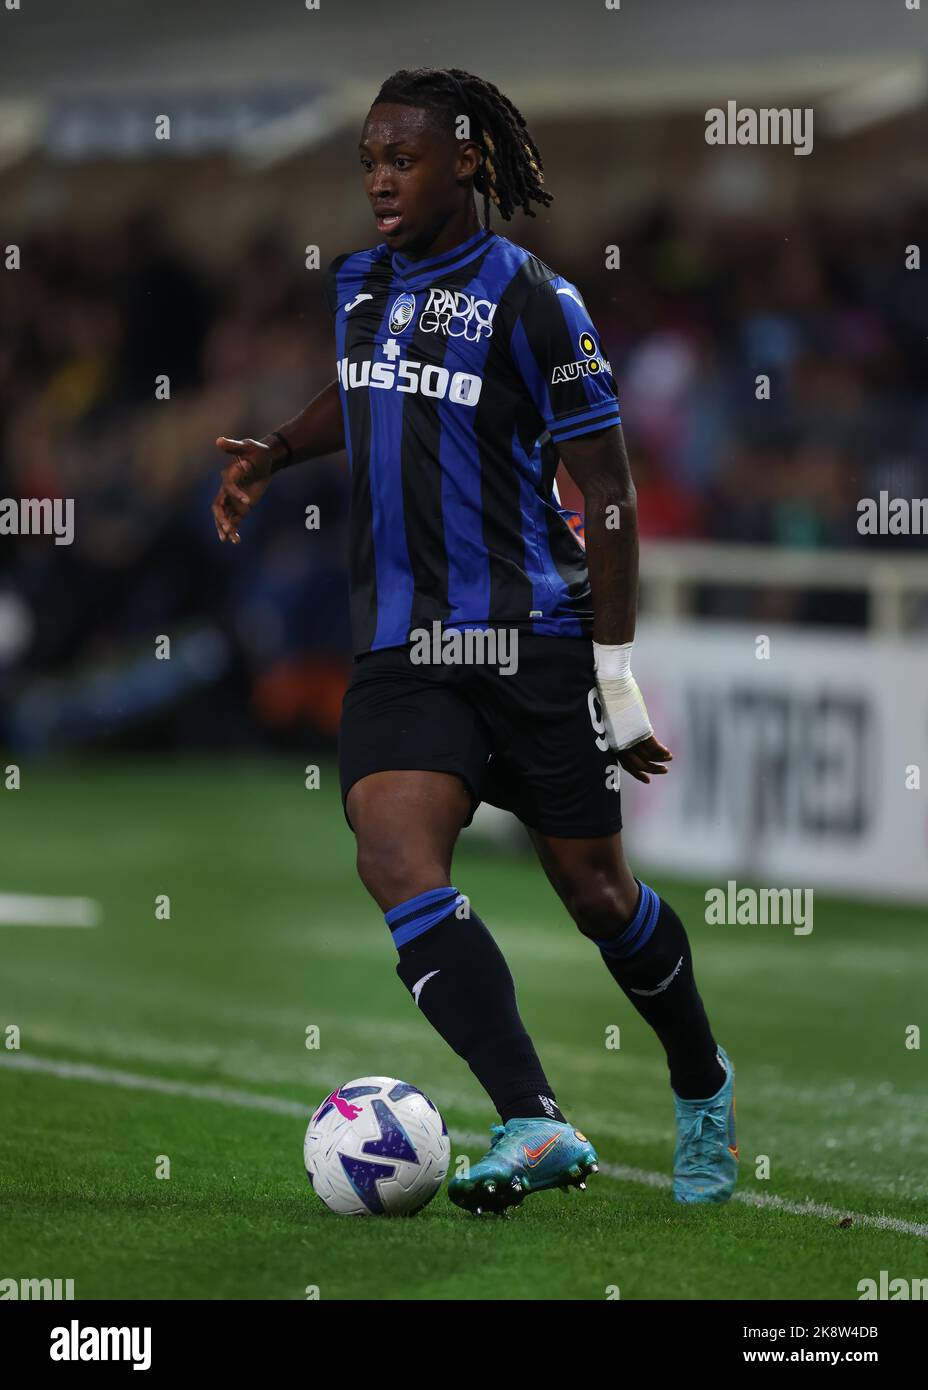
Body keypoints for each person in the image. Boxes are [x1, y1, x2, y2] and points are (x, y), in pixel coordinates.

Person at [212, 67, 737, 1216]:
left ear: (467, 161)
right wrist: (275, 452)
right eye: (367, 162)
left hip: (532, 636)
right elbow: (359, 394)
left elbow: (606, 491)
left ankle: (700, 1081)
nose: (380, 181)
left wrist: (613, 668)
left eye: (401, 159)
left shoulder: (536, 299)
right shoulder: (358, 287)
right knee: (394, 854)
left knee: (599, 897)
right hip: (403, 645)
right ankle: (533, 1117)